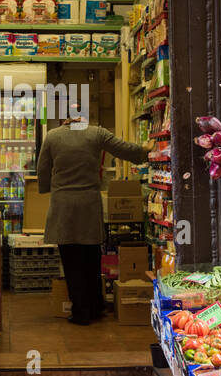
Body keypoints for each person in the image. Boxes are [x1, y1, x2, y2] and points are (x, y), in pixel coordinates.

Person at [36, 119, 150, 325]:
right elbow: (123, 149)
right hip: (89, 203)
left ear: (64, 120)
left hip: (63, 205)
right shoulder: (97, 133)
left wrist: (45, 187)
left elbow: (43, 169)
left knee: (71, 261)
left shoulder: (52, 136)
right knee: (91, 257)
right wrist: (144, 150)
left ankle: (81, 312)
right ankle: (96, 306)